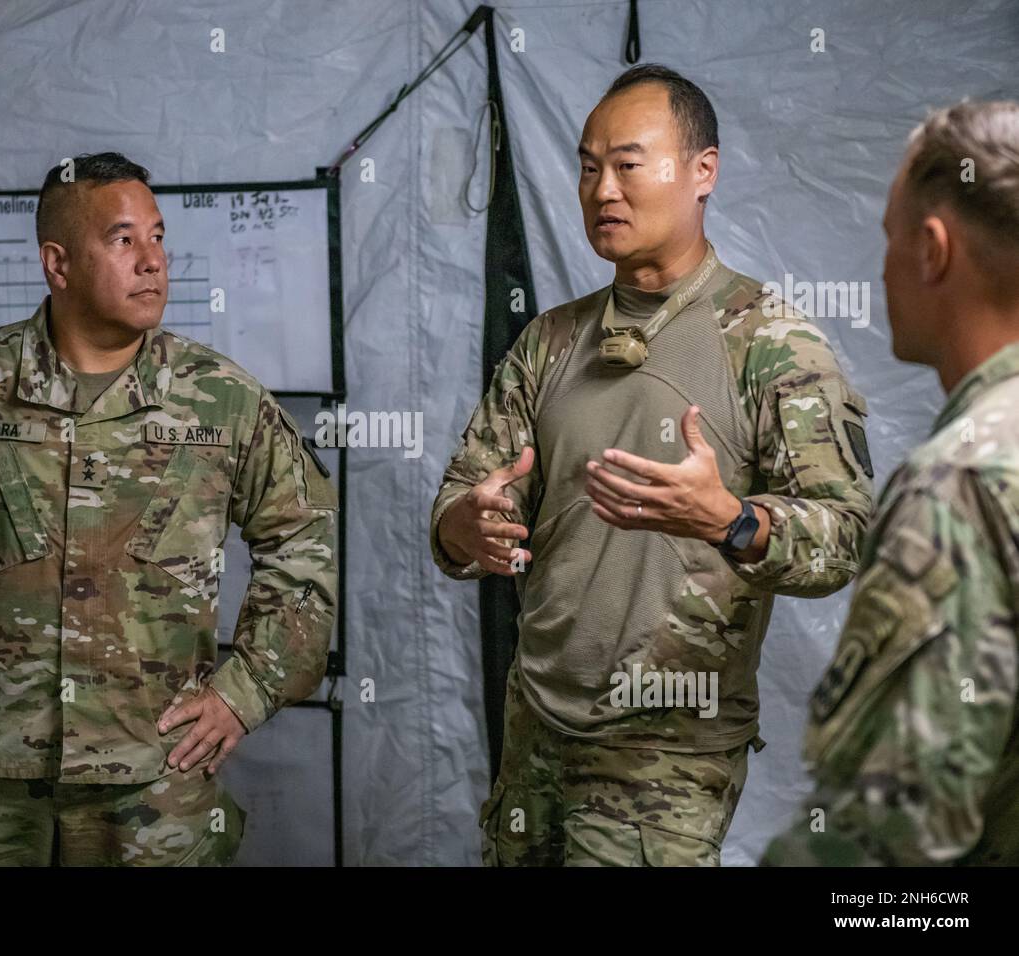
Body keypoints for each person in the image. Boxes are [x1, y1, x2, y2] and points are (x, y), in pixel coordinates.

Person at [0, 152, 338, 866]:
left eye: (158, 236)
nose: (152, 261)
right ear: (58, 265)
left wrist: (246, 689)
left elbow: (306, 537)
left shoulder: (223, 401)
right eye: (123, 240)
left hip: (153, 775)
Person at [431, 65, 874, 865]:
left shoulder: (770, 342)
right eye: (588, 164)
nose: (602, 187)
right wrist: (467, 526)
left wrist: (731, 519)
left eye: (628, 163)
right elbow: (465, 498)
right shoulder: (550, 341)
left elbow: (844, 536)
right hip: (535, 723)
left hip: (668, 748)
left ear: (703, 171)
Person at [763, 100, 1019, 866]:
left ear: (933, 250)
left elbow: (888, 844)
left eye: (889, 240)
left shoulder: (960, 488)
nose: (880, 269)